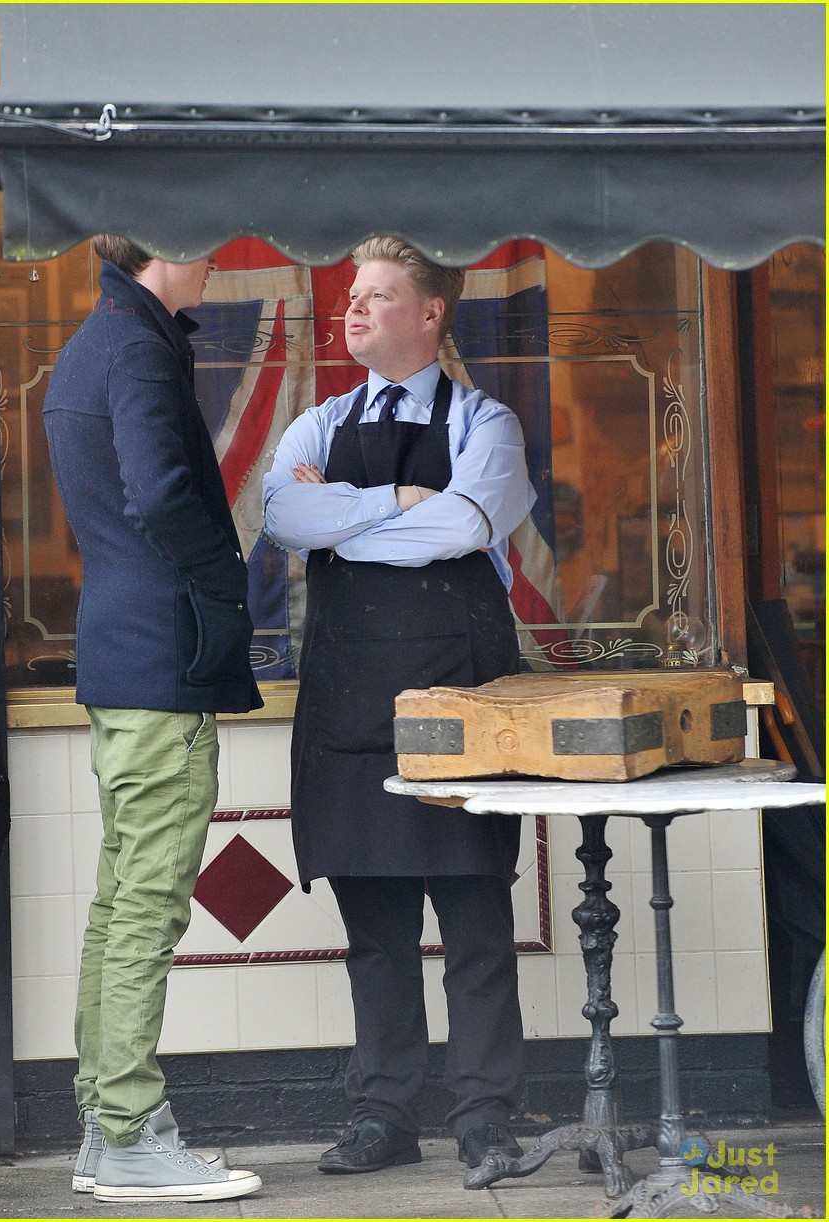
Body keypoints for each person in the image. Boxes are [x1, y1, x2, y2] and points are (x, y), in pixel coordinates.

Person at [263, 236, 535, 1175]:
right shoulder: (315, 423)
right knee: (374, 932)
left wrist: (350, 518)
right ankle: (383, 1115)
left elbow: (466, 525)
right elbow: (286, 519)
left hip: (459, 702)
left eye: (378, 295)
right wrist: (401, 502)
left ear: (431, 315)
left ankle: (487, 1117)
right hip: (349, 709)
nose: (353, 307)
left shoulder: (486, 425)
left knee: (475, 923)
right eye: (351, 293)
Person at [43, 235, 263, 1204]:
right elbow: (159, 490)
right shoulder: (134, 344)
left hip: (119, 653)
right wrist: (221, 577)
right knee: (148, 903)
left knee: (120, 897)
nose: (217, 254)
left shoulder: (98, 338)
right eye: (203, 235)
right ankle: (130, 1131)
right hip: (159, 658)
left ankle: (107, 1126)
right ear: (159, 242)